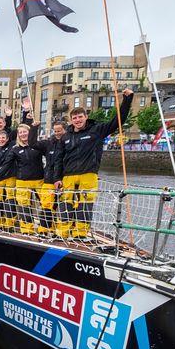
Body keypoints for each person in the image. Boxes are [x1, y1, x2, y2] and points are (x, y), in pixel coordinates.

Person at [55, 88, 134, 238]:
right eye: (75, 118)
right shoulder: (65, 137)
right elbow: (58, 158)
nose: (77, 120)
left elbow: (118, 121)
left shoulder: (97, 130)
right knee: (65, 205)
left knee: (84, 206)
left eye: (80, 117)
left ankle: (80, 235)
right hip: (68, 176)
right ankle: (62, 234)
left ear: (86, 117)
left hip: (88, 174)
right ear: (71, 120)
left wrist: (127, 100)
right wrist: (57, 178)